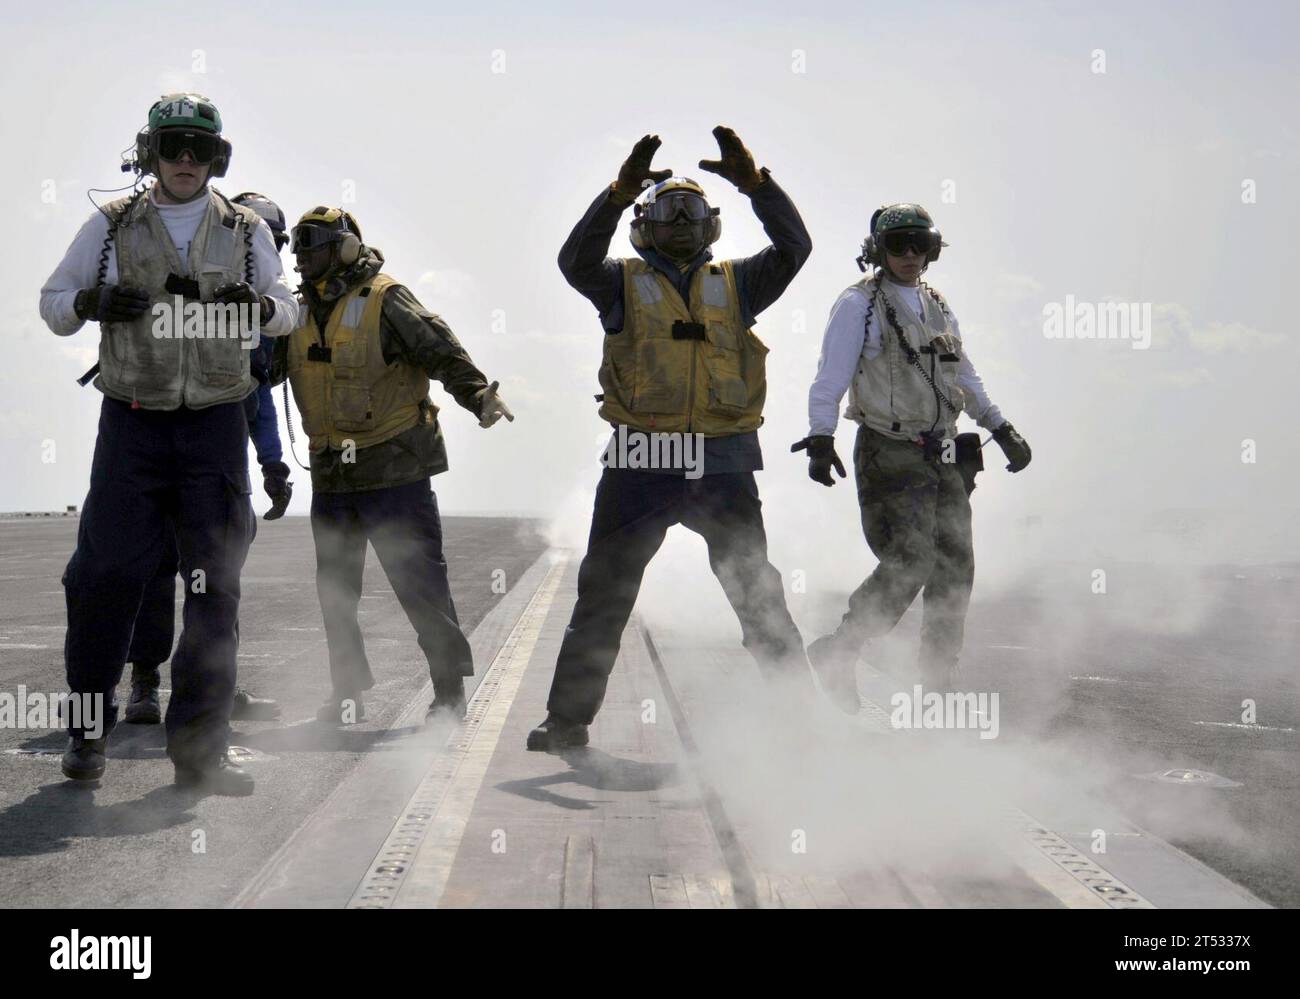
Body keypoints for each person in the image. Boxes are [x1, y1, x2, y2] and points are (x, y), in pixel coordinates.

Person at [39, 93, 298, 794]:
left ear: (218, 158)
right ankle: (87, 735)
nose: (185, 160)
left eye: (198, 149)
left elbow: (286, 309)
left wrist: (260, 308)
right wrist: (91, 303)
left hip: (215, 424)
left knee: (214, 591)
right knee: (105, 580)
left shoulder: (247, 233)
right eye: (172, 145)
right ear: (149, 152)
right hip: (132, 421)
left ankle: (199, 754)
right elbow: (53, 302)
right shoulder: (111, 225)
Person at [527, 127, 815, 752]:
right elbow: (573, 262)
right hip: (642, 459)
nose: (679, 220)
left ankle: (801, 716)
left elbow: (796, 247)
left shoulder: (741, 284)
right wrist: (616, 192)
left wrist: (756, 185)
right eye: (663, 210)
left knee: (755, 590)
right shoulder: (617, 284)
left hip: (722, 458)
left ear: (711, 224)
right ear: (643, 225)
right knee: (604, 592)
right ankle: (567, 722)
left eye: (691, 211)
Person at [273, 206, 511, 724]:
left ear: (346, 247)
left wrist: (477, 395)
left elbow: (439, 349)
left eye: (313, 244)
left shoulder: (384, 298)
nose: (301, 254)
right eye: (298, 245)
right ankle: (348, 693)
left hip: (395, 472)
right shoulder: (291, 313)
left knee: (421, 589)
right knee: (336, 597)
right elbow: (255, 370)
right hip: (334, 477)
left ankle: (449, 693)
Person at [794, 203, 1032, 711]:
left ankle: (937, 687)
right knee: (910, 560)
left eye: (918, 243)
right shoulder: (858, 304)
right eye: (897, 244)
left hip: (943, 451)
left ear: (932, 248)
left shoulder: (939, 305)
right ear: (878, 249)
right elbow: (830, 375)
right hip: (889, 449)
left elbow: (964, 374)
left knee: (954, 568)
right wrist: (821, 436)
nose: (908, 253)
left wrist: (999, 425)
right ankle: (841, 650)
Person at [120, 192, 294, 726]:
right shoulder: (178, 287)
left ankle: (216, 690)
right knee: (155, 570)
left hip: (219, 471)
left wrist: (271, 463)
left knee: (216, 581)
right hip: (159, 457)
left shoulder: (254, 312)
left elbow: (256, 394)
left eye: (273, 244)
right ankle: (145, 686)